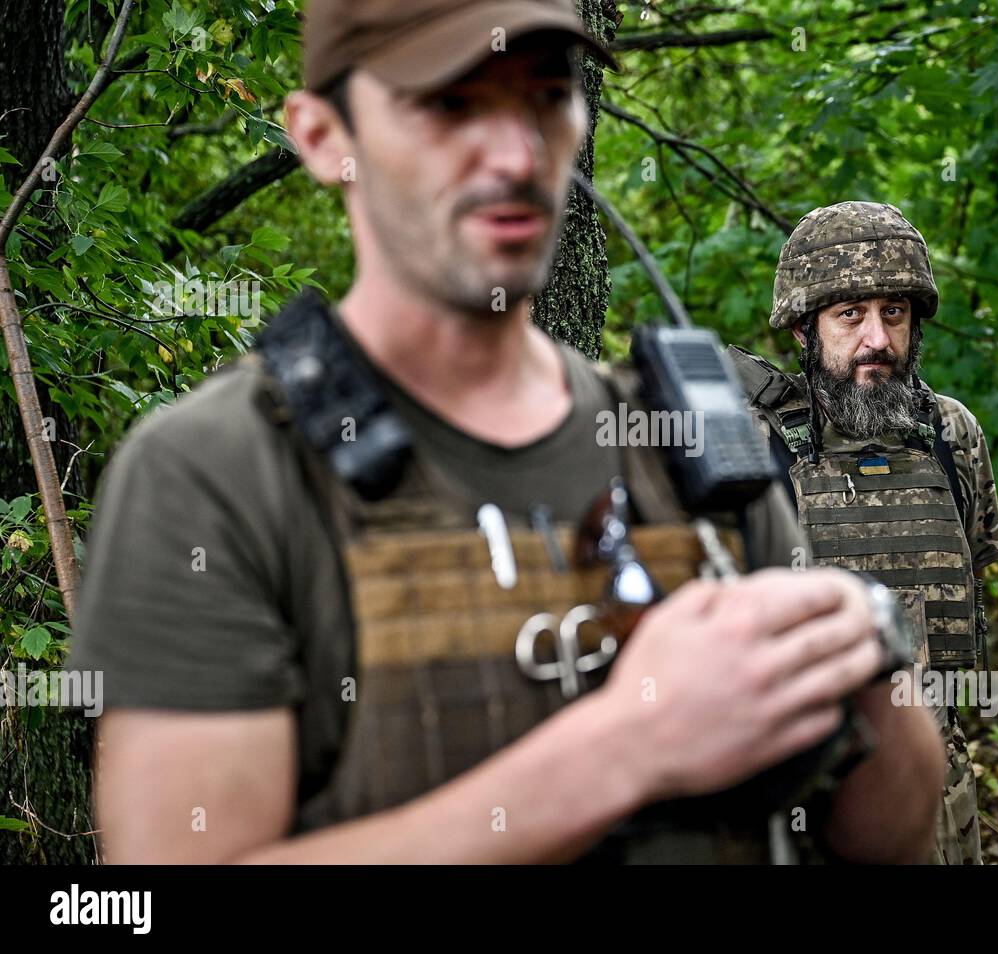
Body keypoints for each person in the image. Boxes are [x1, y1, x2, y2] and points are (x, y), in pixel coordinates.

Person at [71, 1, 943, 864]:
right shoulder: (216, 473)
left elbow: (883, 839)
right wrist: (629, 745)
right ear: (323, 136)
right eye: (450, 102)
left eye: (545, 95)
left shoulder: (689, 439)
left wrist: (866, 644)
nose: (519, 153)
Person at [729, 201, 998, 864]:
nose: (878, 340)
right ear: (804, 328)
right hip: (797, 791)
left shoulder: (953, 436)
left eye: (894, 313)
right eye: (851, 315)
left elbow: (972, 567)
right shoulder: (748, 443)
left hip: (935, 797)